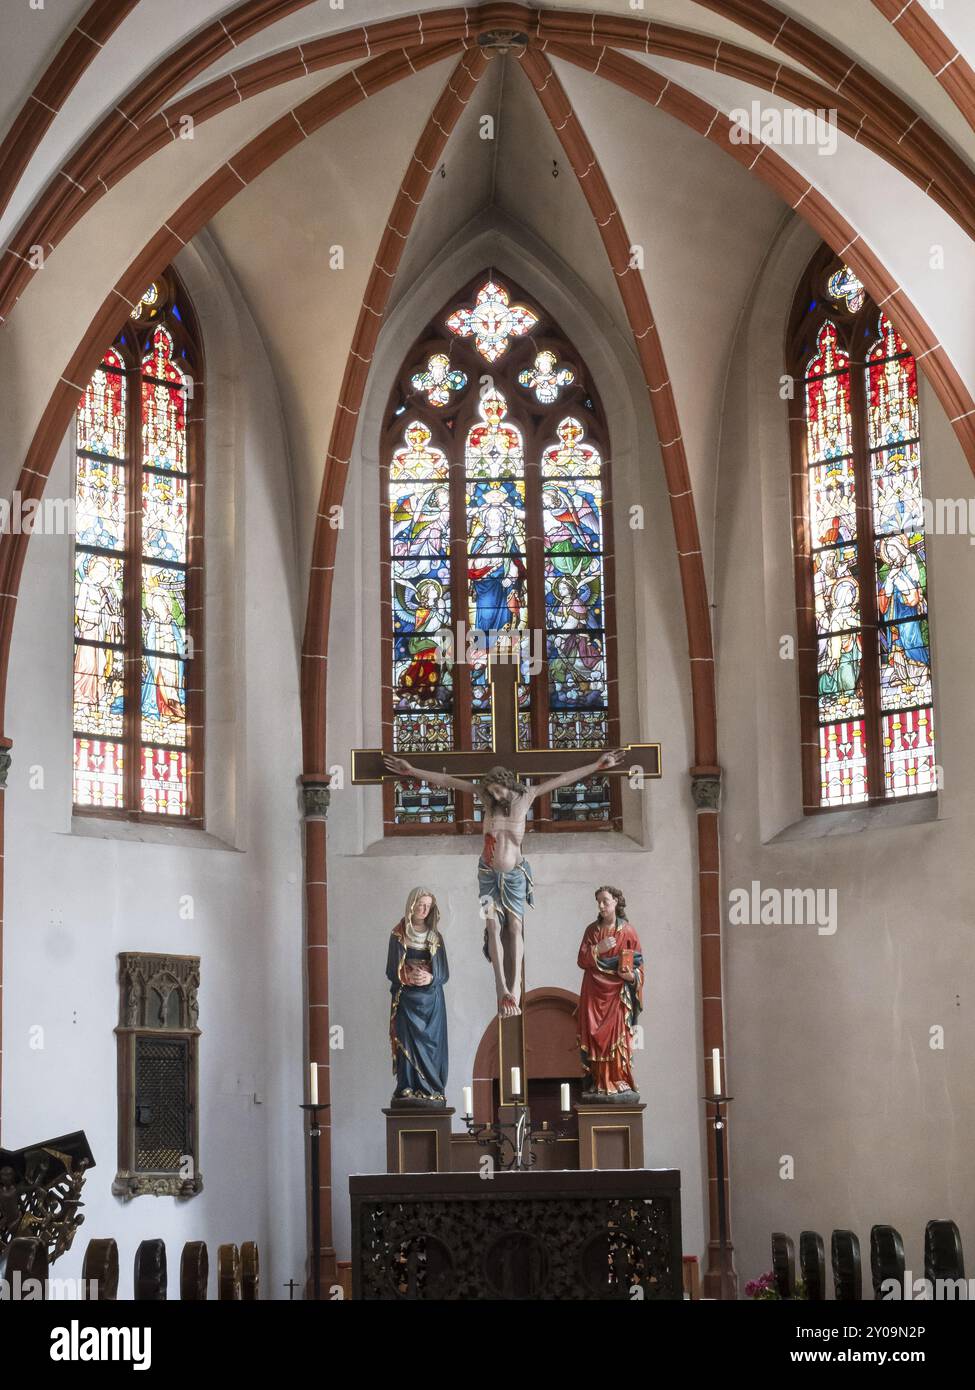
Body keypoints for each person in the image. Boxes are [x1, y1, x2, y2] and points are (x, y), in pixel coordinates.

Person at [383, 750, 624, 1018]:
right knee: (492, 924)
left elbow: (563, 779)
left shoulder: (527, 796)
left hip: (515, 877)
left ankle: (515, 987)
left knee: (515, 927)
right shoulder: (486, 799)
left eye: (498, 790)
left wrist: (597, 765)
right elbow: (447, 781)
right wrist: (412, 771)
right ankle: (502, 989)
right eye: (491, 792)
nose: (495, 796)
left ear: (507, 782)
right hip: (487, 874)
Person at [577, 885, 644, 1098]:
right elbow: (582, 959)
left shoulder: (628, 931)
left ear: (616, 901)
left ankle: (618, 1078)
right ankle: (599, 1081)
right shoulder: (592, 931)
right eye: (599, 901)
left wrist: (631, 977)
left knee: (618, 1034)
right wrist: (599, 948)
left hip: (617, 994)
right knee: (594, 1035)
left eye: (605, 900)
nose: (601, 905)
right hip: (594, 991)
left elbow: (639, 963)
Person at [386, 887, 448, 1103]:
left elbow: (444, 972)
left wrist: (430, 978)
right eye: (420, 904)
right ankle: (407, 1086)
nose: (424, 909)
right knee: (406, 1041)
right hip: (407, 999)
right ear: (411, 905)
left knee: (431, 1045)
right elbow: (391, 969)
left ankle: (431, 1087)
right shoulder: (398, 935)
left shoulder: (435, 937)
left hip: (430, 1002)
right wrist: (406, 976)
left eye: (428, 906)